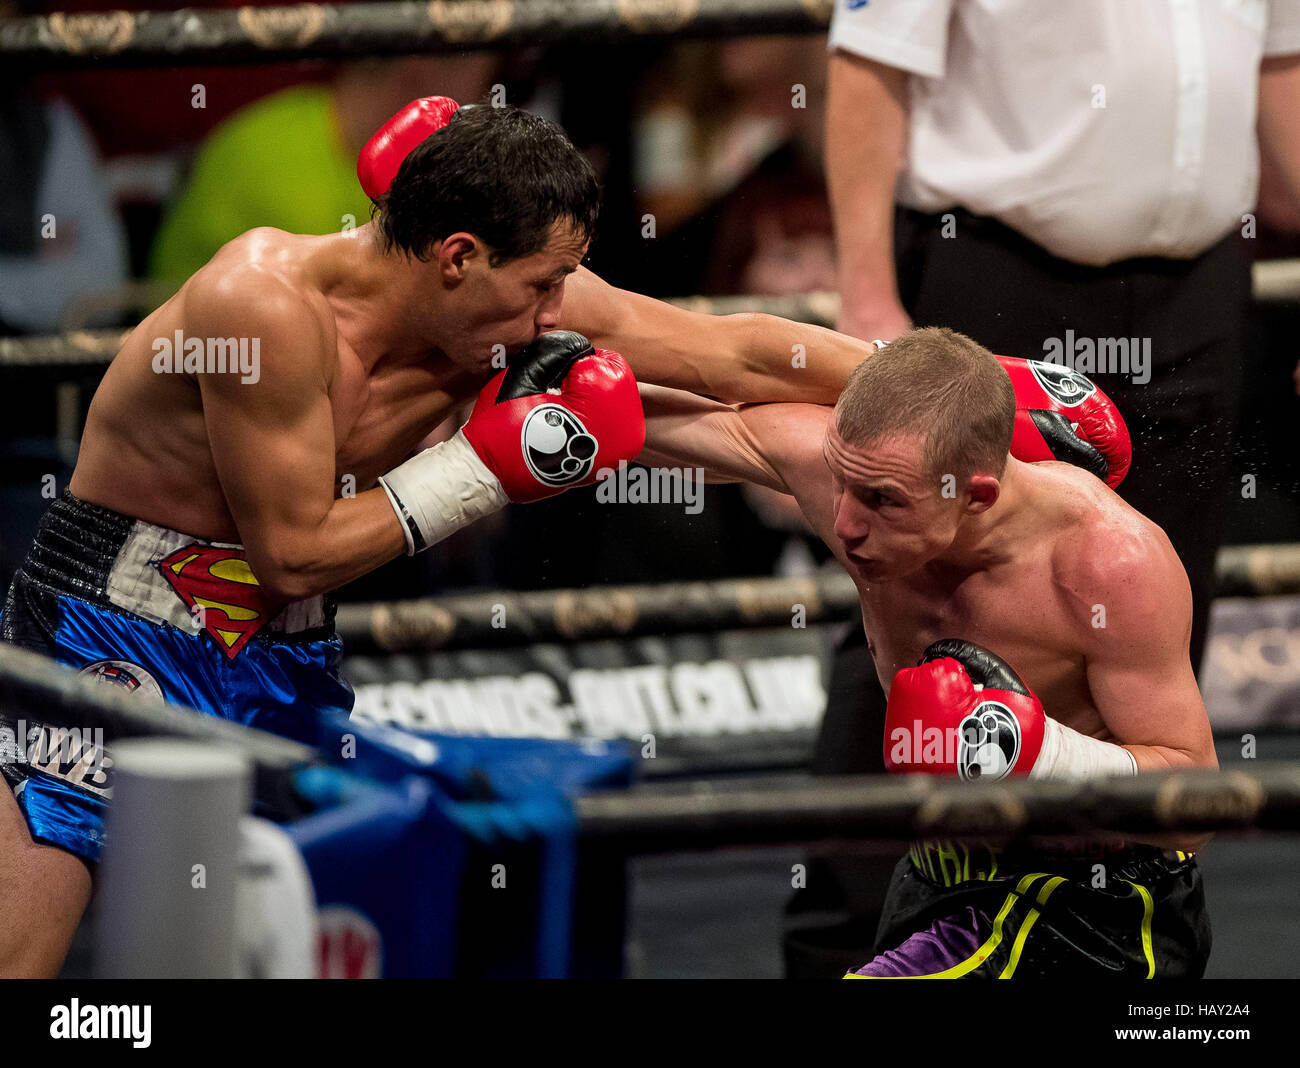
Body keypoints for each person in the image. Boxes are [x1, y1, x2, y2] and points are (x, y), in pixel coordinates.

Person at [0, 99, 878, 978]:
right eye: (542, 283)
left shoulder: (511, 304)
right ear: (458, 256)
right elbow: (294, 551)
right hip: (105, 632)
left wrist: (977, 388)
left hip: (279, 650)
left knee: (313, 940)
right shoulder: (260, 305)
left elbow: (739, 357)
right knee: (21, 954)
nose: (555, 313)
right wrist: (483, 467)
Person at [640, 327, 1217, 977]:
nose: (846, 525)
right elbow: (657, 426)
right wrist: (541, 411)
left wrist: (1038, 752)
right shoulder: (862, 476)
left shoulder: (1108, 565)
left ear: (975, 497)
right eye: (841, 484)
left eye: (883, 501)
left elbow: (1192, 806)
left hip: (1093, 904)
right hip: (938, 869)